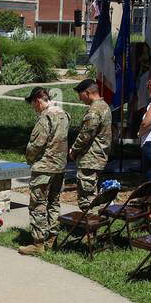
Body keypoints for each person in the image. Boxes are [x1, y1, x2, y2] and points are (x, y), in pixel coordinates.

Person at [18, 86, 69, 255]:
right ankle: (52, 239)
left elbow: (36, 144)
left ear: (38, 101)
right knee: (54, 202)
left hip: (44, 168)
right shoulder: (63, 114)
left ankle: (38, 243)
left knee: (38, 204)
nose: (34, 108)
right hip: (60, 166)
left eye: (33, 105)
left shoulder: (45, 117)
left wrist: (29, 158)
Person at [70, 79, 112, 210]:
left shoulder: (94, 111)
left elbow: (85, 135)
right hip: (99, 157)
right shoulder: (105, 106)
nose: (79, 99)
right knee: (94, 195)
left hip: (90, 159)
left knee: (86, 199)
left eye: (80, 94)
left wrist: (74, 150)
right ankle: (97, 224)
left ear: (87, 92)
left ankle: (90, 226)